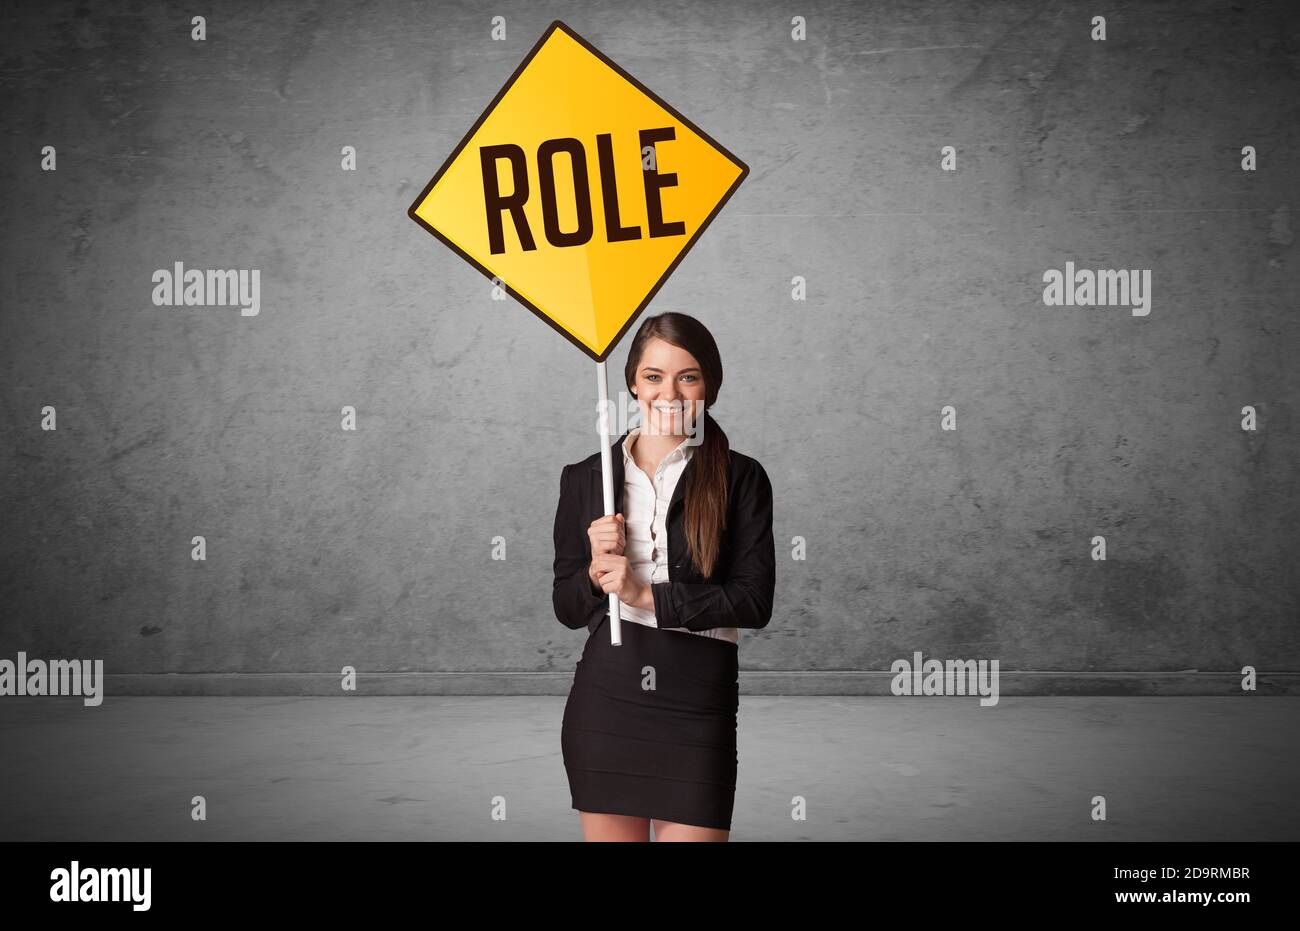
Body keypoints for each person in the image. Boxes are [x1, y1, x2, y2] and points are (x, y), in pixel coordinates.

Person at [552, 311, 776, 841]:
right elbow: (566, 608)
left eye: (688, 376)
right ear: (632, 382)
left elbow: (753, 601)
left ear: (709, 386)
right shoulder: (586, 478)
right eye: (653, 376)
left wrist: (644, 594)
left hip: (698, 697)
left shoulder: (742, 477)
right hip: (607, 695)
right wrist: (591, 571)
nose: (668, 392)